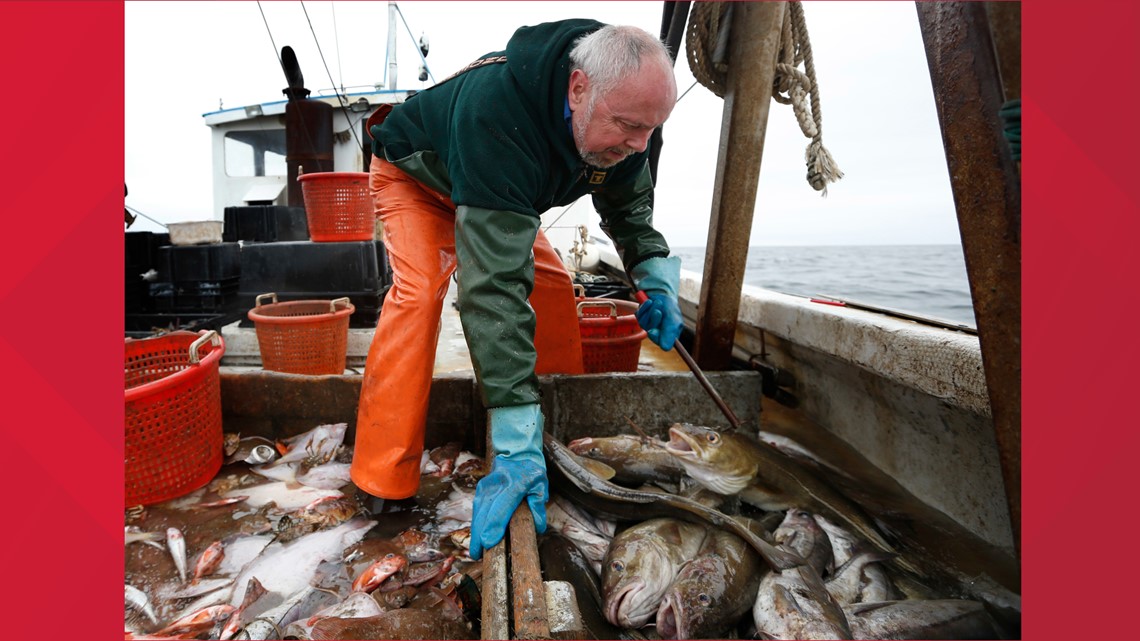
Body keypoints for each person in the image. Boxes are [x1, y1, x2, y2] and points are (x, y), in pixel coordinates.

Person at [350, 18, 684, 559]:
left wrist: (651, 270)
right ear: (578, 89)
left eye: (650, 130)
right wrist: (510, 434)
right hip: (418, 182)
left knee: (552, 288)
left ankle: (556, 442)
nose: (639, 144)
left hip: (501, 196)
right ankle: (381, 480)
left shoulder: (628, 121)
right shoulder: (496, 110)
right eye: (628, 127)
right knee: (419, 298)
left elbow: (627, 206)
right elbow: (492, 289)